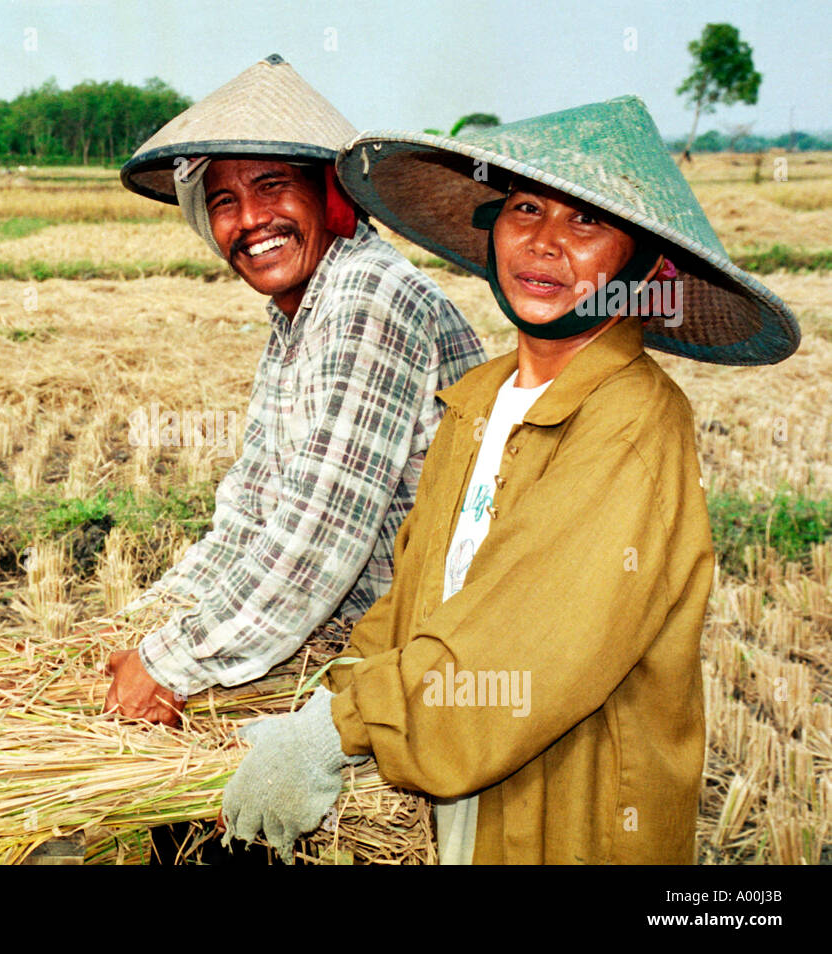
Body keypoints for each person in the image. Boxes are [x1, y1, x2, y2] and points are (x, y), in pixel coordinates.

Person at [220, 95, 801, 864]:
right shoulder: (475, 403)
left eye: (586, 222)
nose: (546, 244)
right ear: (491, 230)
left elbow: (521, 645)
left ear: (643, 265)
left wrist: (341, 731)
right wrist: (336, 699)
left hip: (561, 813)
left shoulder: (633, 422)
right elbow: (415, 595)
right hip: (458, 771)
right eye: (526, 208)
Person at [106, 55, 484, 724]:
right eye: (223, 201)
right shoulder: (298, 313)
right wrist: (145, 627)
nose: (250, 220)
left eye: (273, 186)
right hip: (335, 642)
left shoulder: (370, 298)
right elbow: (252, 512)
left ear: (332, 196)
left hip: (403, 661)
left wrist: (168, 664)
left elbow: (318, 538)